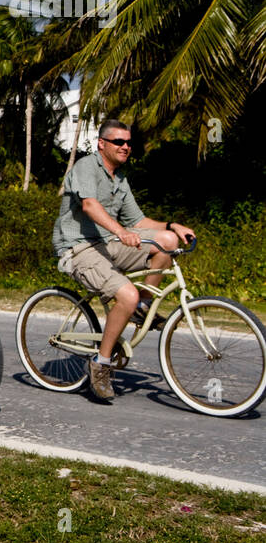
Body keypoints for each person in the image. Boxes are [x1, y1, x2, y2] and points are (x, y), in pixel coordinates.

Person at [52, 119, 195, 401]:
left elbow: (138, 221)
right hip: (78, 248)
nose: (126, 147)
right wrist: (120, 232)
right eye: (119, 142)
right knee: (125, 295)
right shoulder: (85, 167)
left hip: (107, 244)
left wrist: (172, 226)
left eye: (129, 142)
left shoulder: (120, 180)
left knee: (167, 242)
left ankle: (141, 307)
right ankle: (100, 364)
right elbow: (89, 205)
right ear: (102, 144)